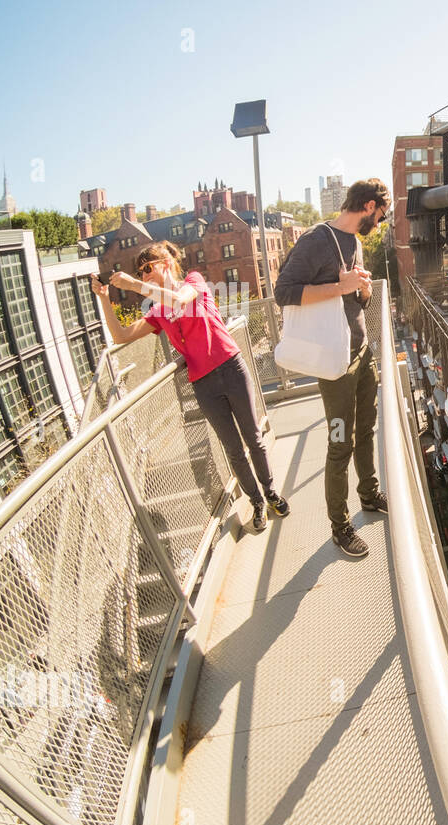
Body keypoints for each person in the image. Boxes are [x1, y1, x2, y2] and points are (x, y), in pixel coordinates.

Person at [91, 242, 289, 533]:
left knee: (253, 437)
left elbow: (179, 301)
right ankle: (257, 502)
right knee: (233, 449)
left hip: (231, 366)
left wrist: (134, 285)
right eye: (140, 272)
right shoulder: (158, 311)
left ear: (167, 262)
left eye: (148, 268)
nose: (144, 275)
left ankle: (271, 492)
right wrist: (105, 298)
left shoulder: (193, 282)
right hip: (203, 382)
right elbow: (121, 336)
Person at [274, 178, 390, 558]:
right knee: (340, 443)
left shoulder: (355, 243)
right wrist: (339, 289)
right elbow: (283, 293)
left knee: (366, 430)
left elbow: (356, 297)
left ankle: (369, 495)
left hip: (361, 354)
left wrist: (363, 290)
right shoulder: (315, 240)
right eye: (382, 215)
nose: (381, 222)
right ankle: (341, 527)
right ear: (370, 206)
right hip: (332, 364)